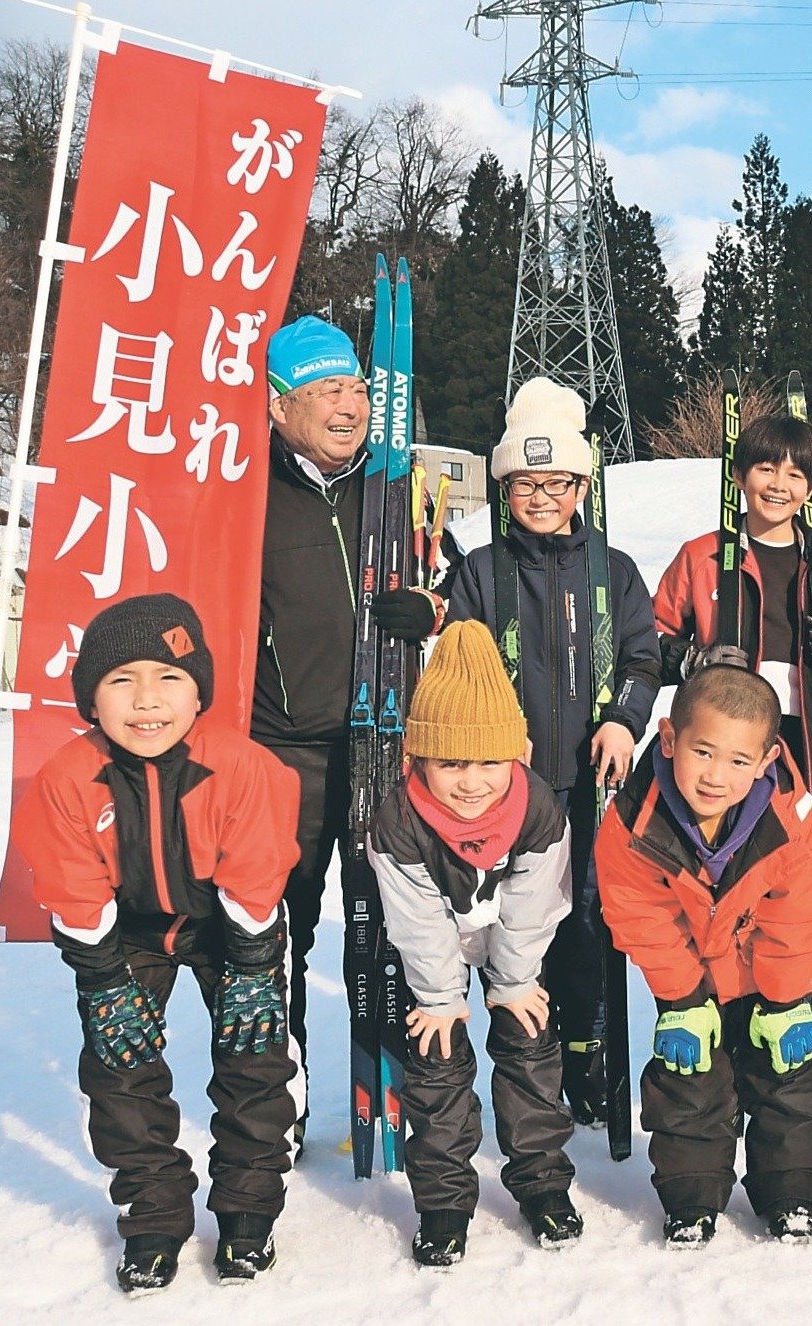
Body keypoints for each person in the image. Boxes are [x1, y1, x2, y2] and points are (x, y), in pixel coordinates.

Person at [11, 594, 301, 1294]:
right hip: (128, 930)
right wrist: (104, 981)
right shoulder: (65, 780)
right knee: (119, 1066)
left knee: (251, 1057)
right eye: (120, 682)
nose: (146, 702)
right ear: (91, 699)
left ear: (197, 691)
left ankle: (248, 1210)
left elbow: (258, 865)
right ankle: (153, 1211)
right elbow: (71, 884)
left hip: (231, 925)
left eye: (167, 679)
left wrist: (255, 966)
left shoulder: (242, 765)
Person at [438, 377, 662, 1123]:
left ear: (580, 485)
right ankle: (521, 1059)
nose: (541, 496)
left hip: (590, 780)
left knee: (588, 922)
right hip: (506, 789)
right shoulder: (479, 571)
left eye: (556, 482)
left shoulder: (614, 570)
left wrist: (624, 721)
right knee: (512, 921)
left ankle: (587, 1053)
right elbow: (457, 666)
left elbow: (641, 657)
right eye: (525, 482)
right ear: (505, 486)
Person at [651, 413, 812, 1107]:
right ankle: (729, 1025)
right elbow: (655, 640)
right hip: (725, 749)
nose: (779, 484)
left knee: (810, 899)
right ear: (740, 476)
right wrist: (692, 659)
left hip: (806, 741)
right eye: (766, 469)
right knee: (727, 895)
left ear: (810, 487)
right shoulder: (703, 556)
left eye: (796, 474)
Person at [252, 315, 450, 1124]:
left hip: (388, 744)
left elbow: (453, 587)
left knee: (395, 926)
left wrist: (430, 609)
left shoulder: (395, 483)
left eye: (358, 388)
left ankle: (404, 1093)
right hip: (281, 753)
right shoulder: (246, 495)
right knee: (275, 940)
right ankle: (279, 1099)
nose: (349, 405)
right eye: (327, 389)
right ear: (279, 405)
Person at [595, 666, 812, 1249]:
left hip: (768, 975)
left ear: (765, 760)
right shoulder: (632, 821)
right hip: (690, 975)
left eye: (737, 761)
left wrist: (784, 999)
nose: (716, 776)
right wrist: (680, 998)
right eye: (702, 752)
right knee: (689, 1080)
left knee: (789, 1076)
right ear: (670, 739)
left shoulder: (793, 817)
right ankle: (692, 1196)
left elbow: (800, 910)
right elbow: (637, 911)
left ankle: (790, 1192)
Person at [365, 621, 580, 1268]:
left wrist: (514, 982)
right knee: (436, 1058)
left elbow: (534, 902)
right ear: (417, 761)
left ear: (516, 756)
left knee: (530, 1038)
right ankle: (444, 1202)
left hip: (513, 937)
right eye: (450, 763)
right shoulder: (397, 819)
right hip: (434, 945)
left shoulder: (537, 809)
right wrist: (439, 997)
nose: (470, 781)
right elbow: (415, 919)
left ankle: (541, 1181)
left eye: (488, 762)